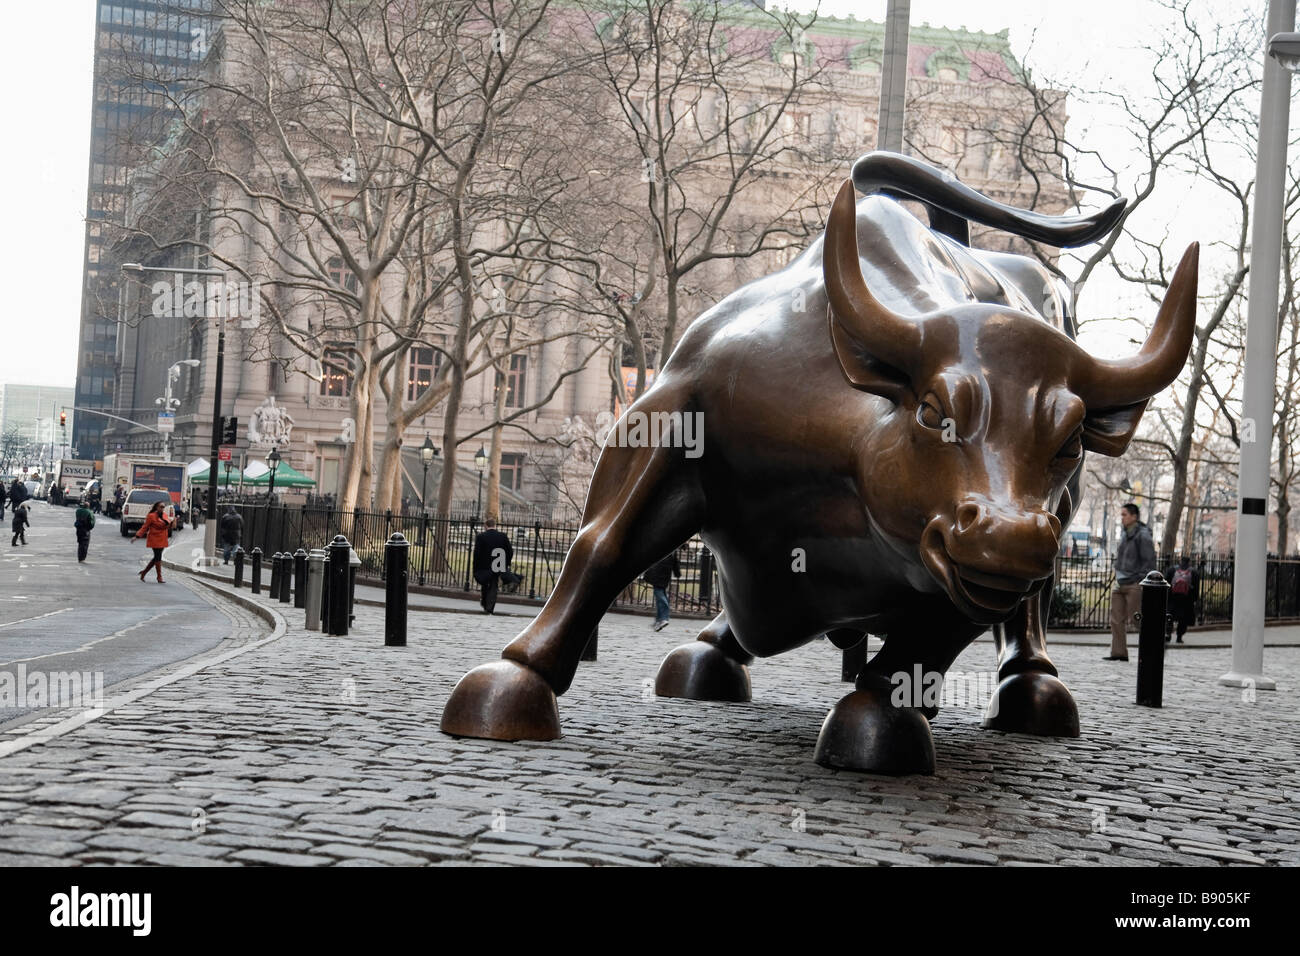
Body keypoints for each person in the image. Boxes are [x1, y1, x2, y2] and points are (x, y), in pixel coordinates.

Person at [1107, 502, 1156, 661]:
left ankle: (1151, 651)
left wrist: (1138, 580)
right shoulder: (1124, 534)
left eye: (1124, 515)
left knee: (1137, 620)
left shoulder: (1143, 535)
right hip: (1120, 582)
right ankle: (1118, 653)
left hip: (1134, 583)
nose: (1122, 518)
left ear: (1134, 516)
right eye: (1121, 515)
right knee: (1116, 620)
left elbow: (1149, 563)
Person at [472, 517, 515, 614]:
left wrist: (476, 566)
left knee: (485, 584)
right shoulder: (502, 536)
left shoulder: (481, 537)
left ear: (486, 526)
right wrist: (505, 562)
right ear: (495, 526)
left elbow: (477, 553)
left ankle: (485, 603)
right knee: (493, 585)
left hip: (484, 565)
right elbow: (510, 551)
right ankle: (489, 606)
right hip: (497, 564)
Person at [643, 551, 681, 631]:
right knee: (659, 596)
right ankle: (658, 621)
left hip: (658, 573)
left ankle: (664, 618)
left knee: (660, 596)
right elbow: (675, 562)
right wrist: (677, 573)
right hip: (662, 574)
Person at [134, 501, 172, 583]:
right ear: (156, 507)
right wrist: (137, 536)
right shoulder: (151, 516)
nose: (162, 508)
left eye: (163, 507)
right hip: (154, 539)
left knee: (156, 558)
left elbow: (168, 525)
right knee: (158, 557)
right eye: (161, 507)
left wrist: (172, 523)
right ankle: (159, 577)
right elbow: (145, 527)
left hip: (162, 539)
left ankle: (144, 572)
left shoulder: (165, 515)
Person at [1167, 556, 1198, 644]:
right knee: (1183, 619)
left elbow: (1166, 582)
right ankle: (1179, 637)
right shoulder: (1194, 572)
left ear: (1180, 561)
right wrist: (1195, 599)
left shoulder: (1172, 570)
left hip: (1172, 599)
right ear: (1189, 562)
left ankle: (1168, 635)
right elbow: (1196, 588)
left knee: (1169, 617)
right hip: (1186, 600)